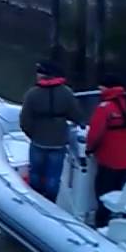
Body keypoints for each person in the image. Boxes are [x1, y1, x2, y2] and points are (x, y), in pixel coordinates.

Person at [86, 74, 126, 228]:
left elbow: (94, 134)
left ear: (107, 88)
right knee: (121, 194)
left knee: (103, 195)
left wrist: (89, 149)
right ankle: (120, 222)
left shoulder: (104, 108)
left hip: (107, 160)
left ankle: (101, 225)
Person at [19, 61, 80, 202]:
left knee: (35, 174)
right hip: (58, 143)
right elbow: (76, 116)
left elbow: (24, 121)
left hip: (38, 142)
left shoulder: (32, 94)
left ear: (43, 75)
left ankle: (35, 201)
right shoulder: (67, 93)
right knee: (53, 178)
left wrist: (32, 135)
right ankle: (50, 202)